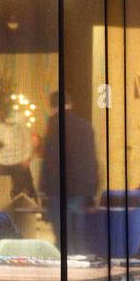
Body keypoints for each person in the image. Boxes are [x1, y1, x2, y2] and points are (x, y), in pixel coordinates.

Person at [38, 91, 97, 247]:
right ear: (71, 103)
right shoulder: (86, 126)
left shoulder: (54, 124)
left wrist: (43, 188)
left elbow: (50, 160)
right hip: (80, 190)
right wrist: (91, 191)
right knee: (79, 236)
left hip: (57, 190)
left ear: (52, 106)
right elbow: (91, 161)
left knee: (61, 236)